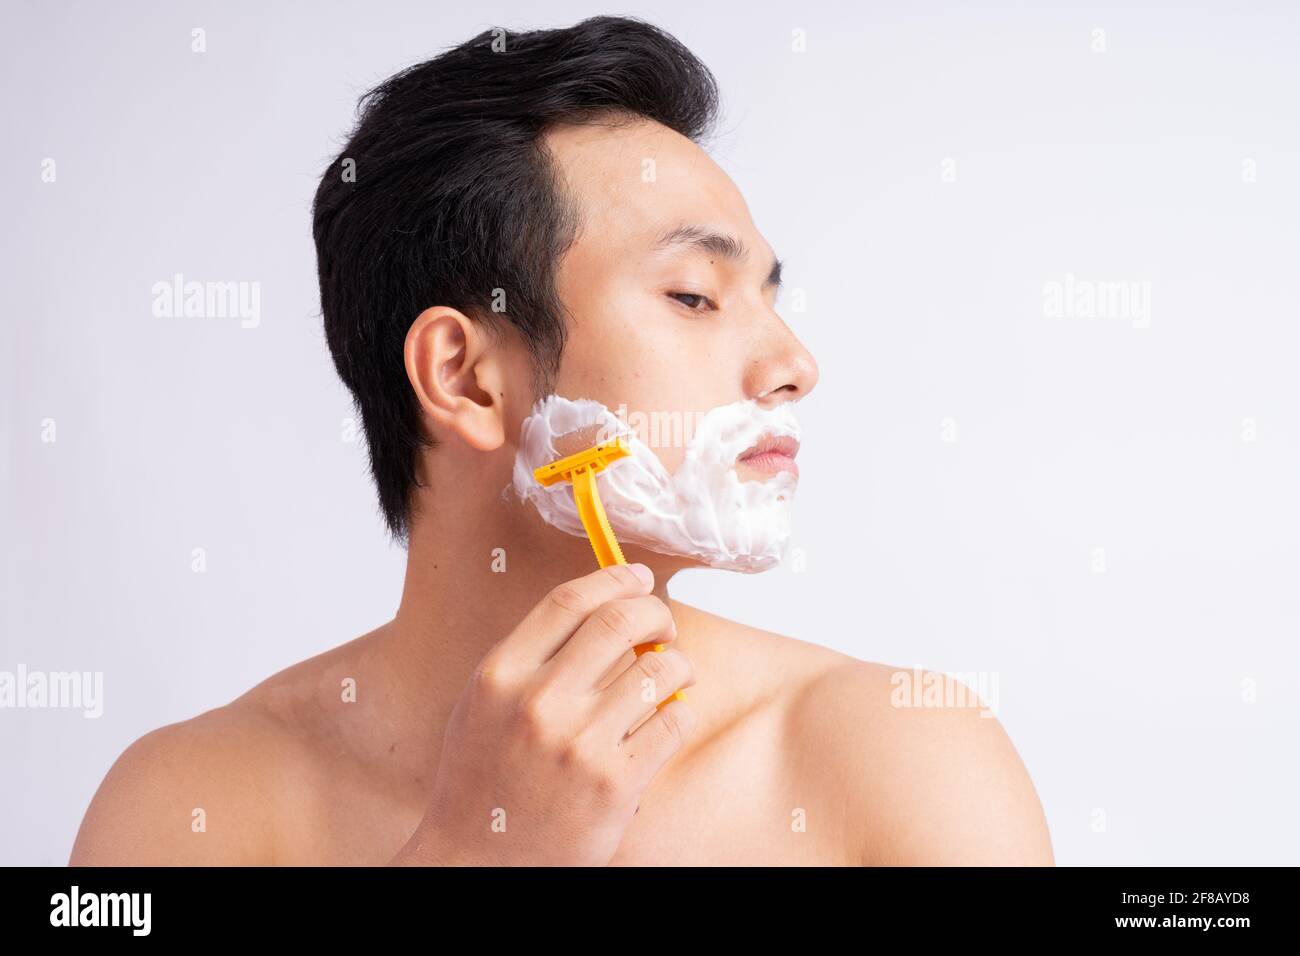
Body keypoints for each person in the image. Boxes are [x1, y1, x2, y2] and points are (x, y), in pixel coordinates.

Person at [70, 15, 1053, 866]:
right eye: (694, 297)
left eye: (768, 296)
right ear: (463, 375)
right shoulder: (190, 803)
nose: (793, 363)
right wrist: (474, 854)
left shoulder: (900, 756)